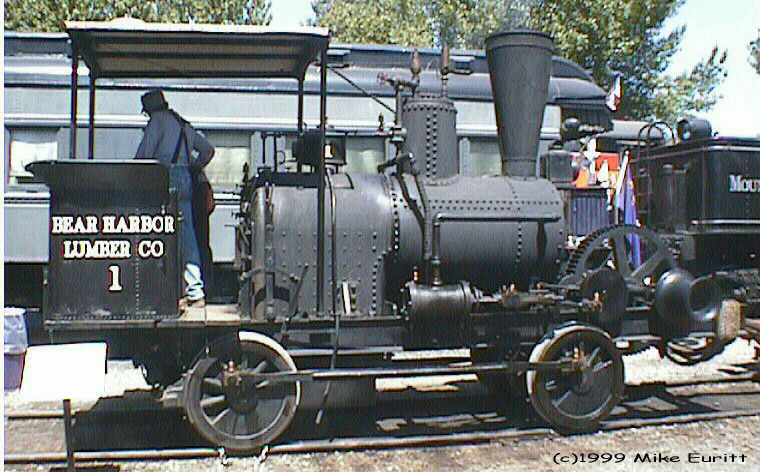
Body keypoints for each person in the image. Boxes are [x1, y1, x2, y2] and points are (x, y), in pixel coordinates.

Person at [135, 89, 214, 306]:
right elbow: (208, 150)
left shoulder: (157, 122)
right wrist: (193, 166)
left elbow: (144, 156)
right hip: (185, 178)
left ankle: (163, 289)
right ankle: (195, 290)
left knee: (160, 234)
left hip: (165, 179)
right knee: (187, 235)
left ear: (150, 110)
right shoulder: (182, 123)